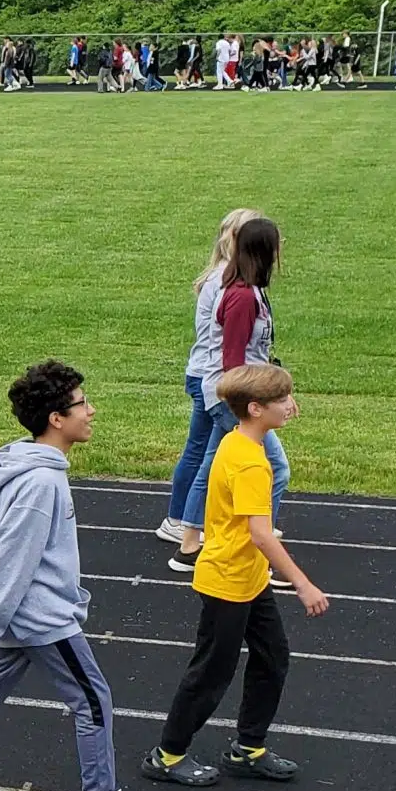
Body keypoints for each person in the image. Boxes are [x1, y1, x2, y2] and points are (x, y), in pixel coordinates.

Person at [0, 362, 155, 791]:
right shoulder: (41, 483)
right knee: (93, 700)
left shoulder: (39, 471)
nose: (91, 410)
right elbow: (8, 563)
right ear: (57, 418)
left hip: (24, 614)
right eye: (83, 403)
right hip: (41, 619)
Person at [142, 364, 331, 787]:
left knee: (272, 657)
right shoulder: (249, 464)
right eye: (282, 400)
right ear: (255, 408)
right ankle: (167, 756)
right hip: (228, 579)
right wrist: (303, 583)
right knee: (211, 671)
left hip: (248, 578)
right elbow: (261, 534)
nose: (291, 405)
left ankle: (249, 749)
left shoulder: (237, 439)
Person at [171, 217, 290, 569]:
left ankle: (190, 545)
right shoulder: (241, 297)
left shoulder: (246, 289)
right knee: (275, 469)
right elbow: (233, 361)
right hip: (234, 397)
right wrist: (248, 405)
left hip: (235, 394)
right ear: (264, 251)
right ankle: (254, 545)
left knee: (211, 464)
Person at [160, 209, 265, 544]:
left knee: (199, 450)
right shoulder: (227, 280)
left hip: (205, 373)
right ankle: (189, 523)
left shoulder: (220, 275)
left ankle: (181, 519)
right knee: (206, 455)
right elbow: (227, 343)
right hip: (215, 378)